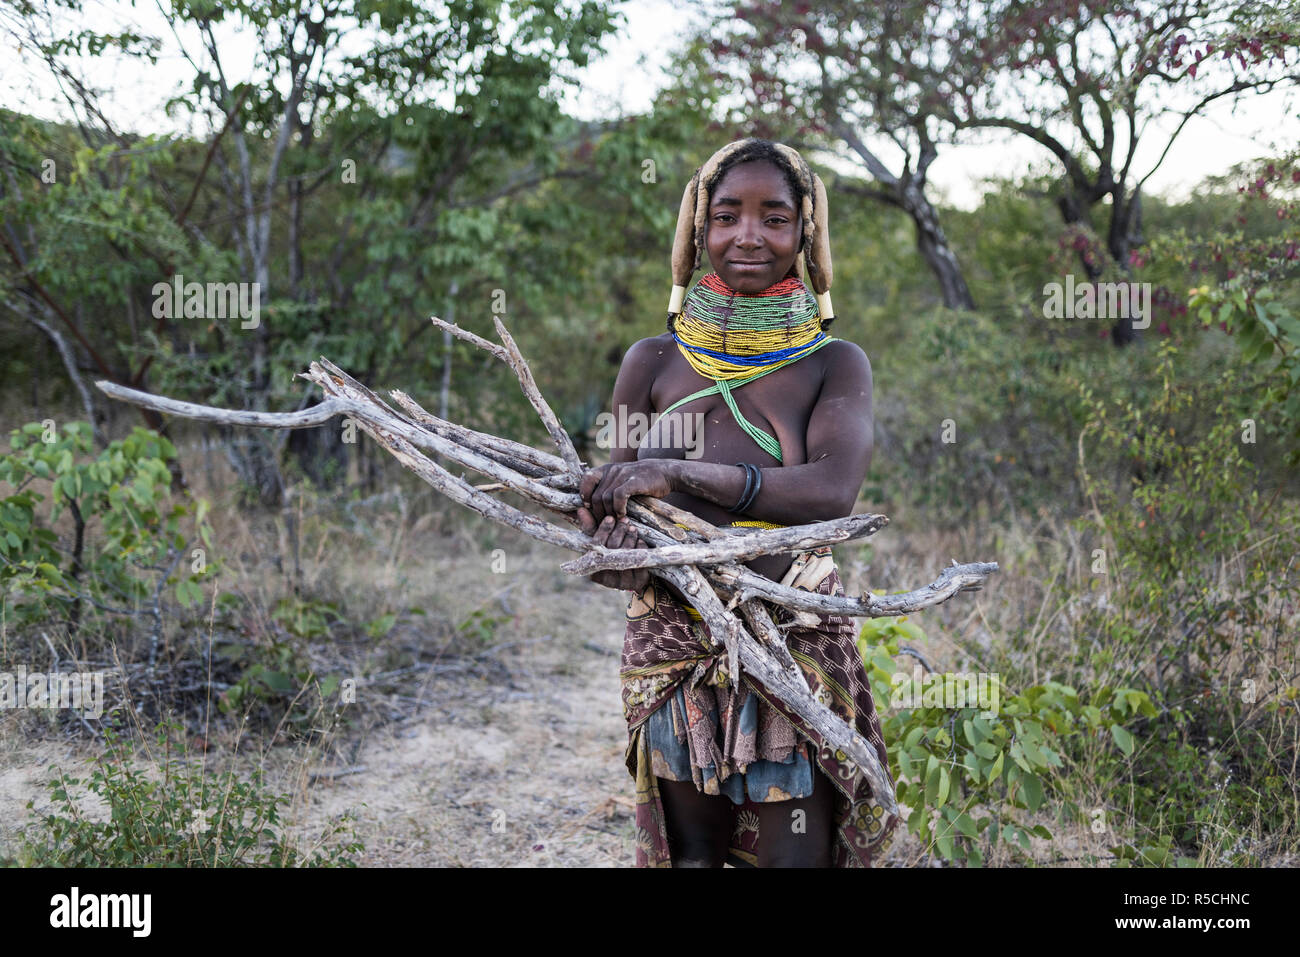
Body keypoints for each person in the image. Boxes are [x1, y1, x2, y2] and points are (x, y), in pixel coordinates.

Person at [576, 138, 898, 868]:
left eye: (774, 218)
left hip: (790, 633)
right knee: (693, 856)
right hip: (673, 640)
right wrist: (617, 550)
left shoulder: (832, 362)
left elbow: (830, 492)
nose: (748, 235)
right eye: (726, 216)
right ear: (697, 231)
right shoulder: (649, 362)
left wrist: (678, 476)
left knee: (796, 859)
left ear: (805, 235)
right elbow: (607, 509)